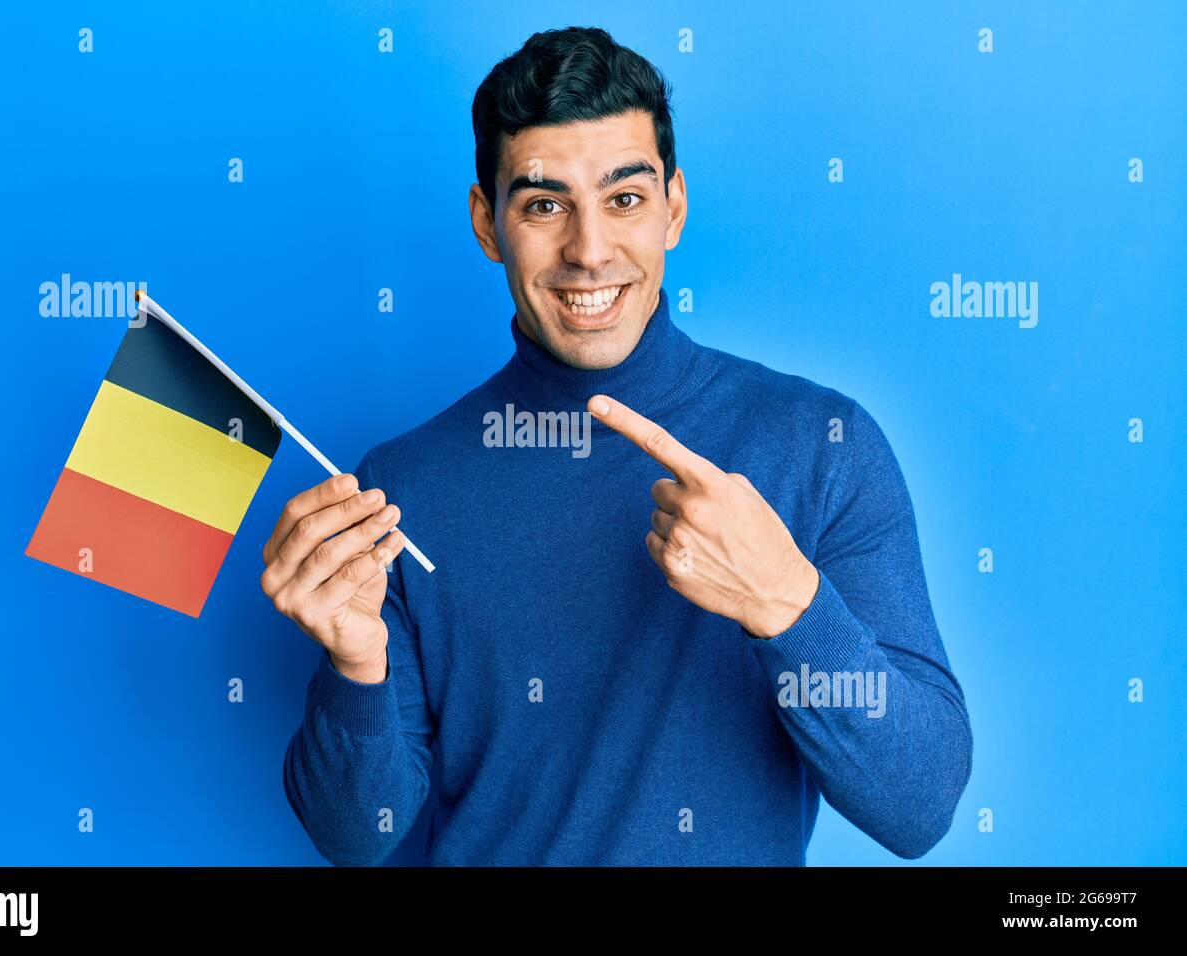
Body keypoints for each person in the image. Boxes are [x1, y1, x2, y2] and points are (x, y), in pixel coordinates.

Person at [263, 26, 972, 866]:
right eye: (544, 204)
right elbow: (357, 836)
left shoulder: (821, 445)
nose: (589, 251)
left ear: (673, 208)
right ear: (488, 223)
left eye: (624, 199)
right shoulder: (395, 489)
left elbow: (920, 804)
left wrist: (786, 603)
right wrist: (356, 670)